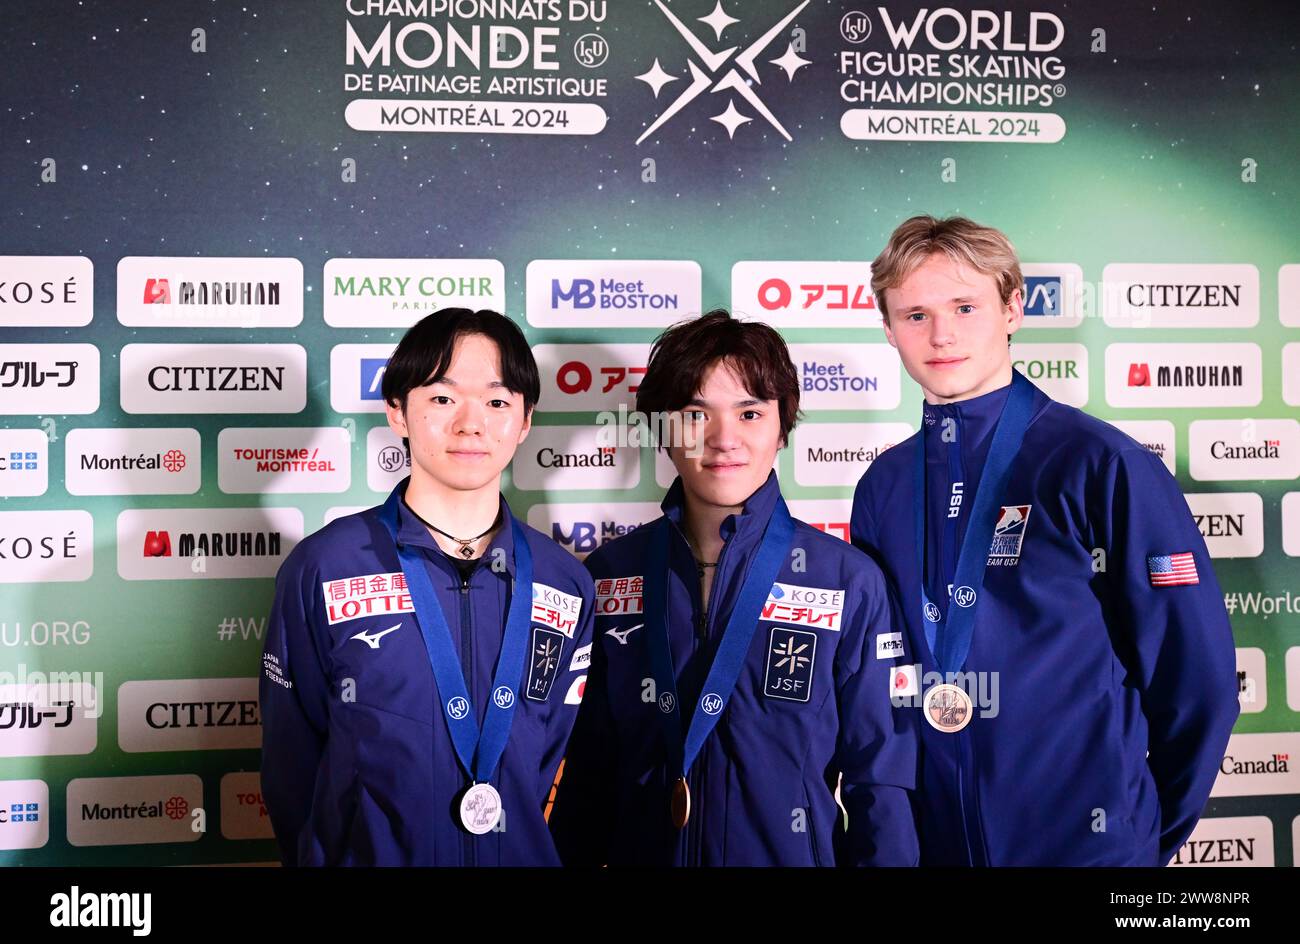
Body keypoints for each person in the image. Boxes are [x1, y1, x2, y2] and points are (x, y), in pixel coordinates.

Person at [850, 214, 1239, 866]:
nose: (941, 334)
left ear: (1013, 309)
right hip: (934, 850)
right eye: (915, 314)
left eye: (965, 306)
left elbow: (1196, 681)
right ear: (888, 329)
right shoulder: (882, 486)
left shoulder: (1100, 464)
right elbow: (880, 683)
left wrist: (1134, 836)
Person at [551, 309, 919, 866]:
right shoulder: (609, 574)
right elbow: (587, 771)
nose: (724, 439)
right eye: (696, 414)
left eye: (750, 412)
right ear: (664, 432)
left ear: (782, 426)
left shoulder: (845, 579)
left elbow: (881, 779)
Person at [259, 308, 594, 865]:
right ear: (397, 411)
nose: (471, 424)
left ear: (526, 419)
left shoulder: (566, 581)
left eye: (497, 401)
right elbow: (292, 766)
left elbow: (546, 756)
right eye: (442, 398)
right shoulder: (326, 566)